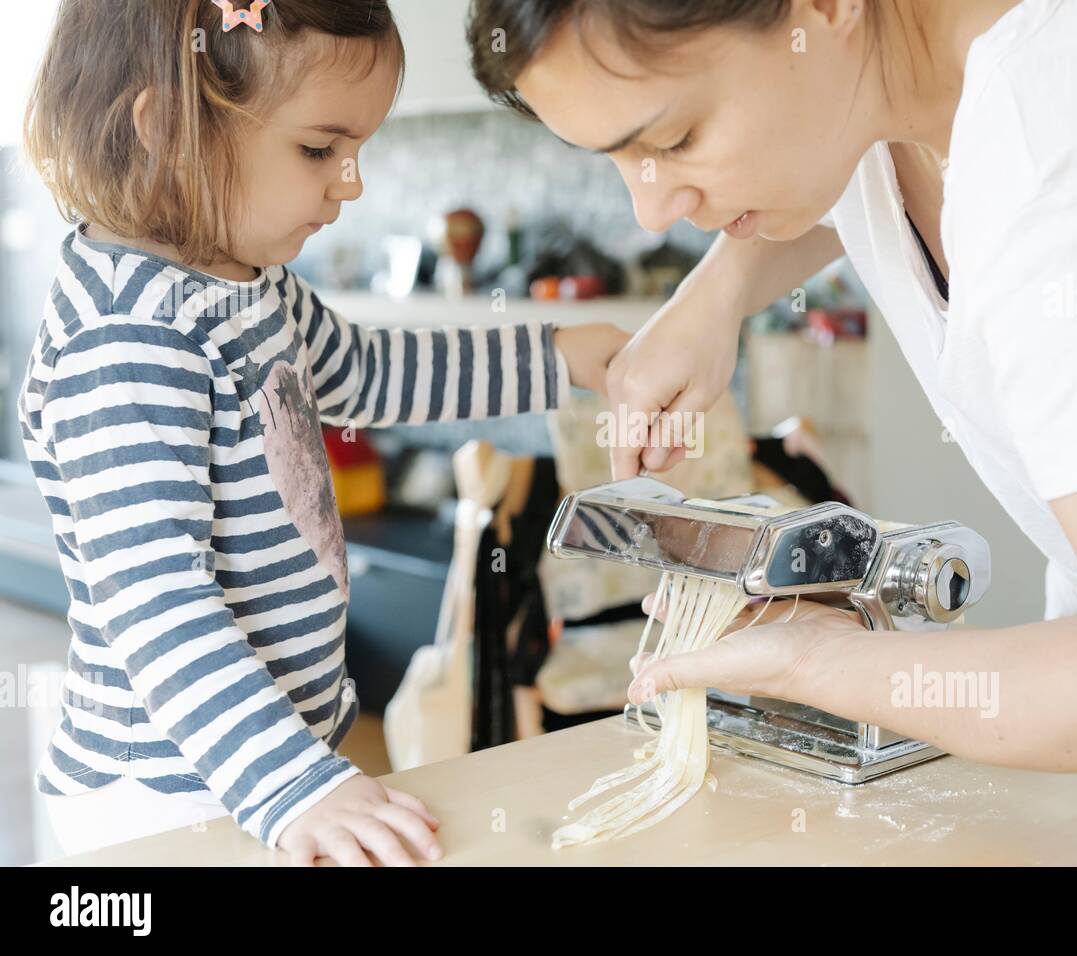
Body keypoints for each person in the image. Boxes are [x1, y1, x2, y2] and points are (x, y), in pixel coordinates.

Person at [467, 0, 1077, 771]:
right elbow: (846, 153)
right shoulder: (893, 72)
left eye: (675, 139)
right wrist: (712, 298)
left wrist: (814, 659)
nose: (650, 212)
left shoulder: (1071, 158)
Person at [19, 0, 626, 865]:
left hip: (268, 761)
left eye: (356, 152)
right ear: (163, 128)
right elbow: (159, 611)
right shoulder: (128, 342)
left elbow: (367, 372)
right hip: (164, 799)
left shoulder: (244, 281)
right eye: (320, 149)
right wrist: (297, 786)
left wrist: (560, 354)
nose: (351, 183)